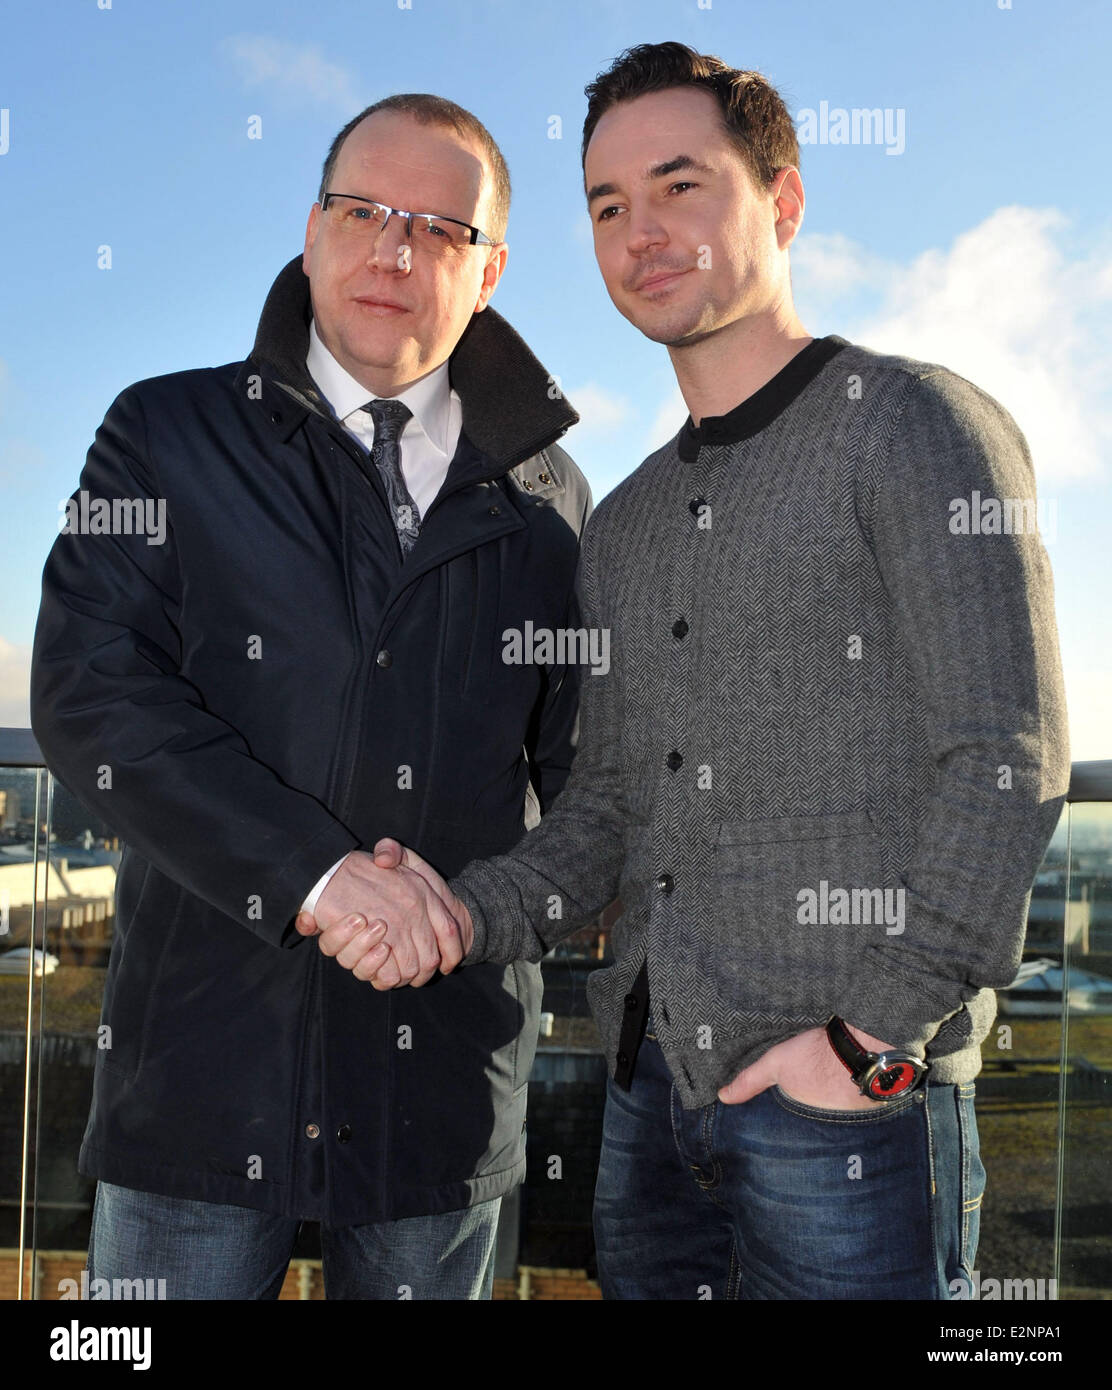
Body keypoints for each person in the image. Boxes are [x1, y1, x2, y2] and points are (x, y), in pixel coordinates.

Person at [300, 43, 1071, 1300]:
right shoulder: (628, 519)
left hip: (851, 1124)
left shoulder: (914, 424)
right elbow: (605, 806)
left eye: (678, 186)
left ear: (781, 200)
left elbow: (1007, 754)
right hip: (649, 1115)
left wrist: (871, 1043)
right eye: (607, 206)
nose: (639, 232)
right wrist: (450, 913)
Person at [30, 92, 591, 1300]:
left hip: (441, 1079)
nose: (393, 248)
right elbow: (89, 690)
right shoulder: (164, 432)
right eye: (363, 210)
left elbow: (582, 777)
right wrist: (321, 880)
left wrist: (458, 919)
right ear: (309, 226)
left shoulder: (554, 497)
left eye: (439, 229)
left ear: (490, 268)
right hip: (195, 1071)